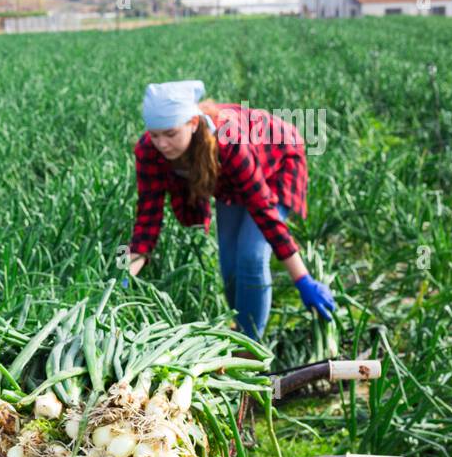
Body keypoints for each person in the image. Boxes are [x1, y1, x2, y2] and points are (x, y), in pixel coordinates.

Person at [123, 80, 335, 339]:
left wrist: (302, 280)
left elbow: (263, 211)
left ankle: (249, 347)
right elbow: (147, 221)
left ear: (192, 123)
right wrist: (124, 275)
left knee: (251, 256)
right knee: (229, 261)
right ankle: (242, 324)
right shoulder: (149, 151)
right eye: (155, 135)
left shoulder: (226, 141)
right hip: (230, 180)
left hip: (277, 160)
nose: (162, 144)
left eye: (170, 134)